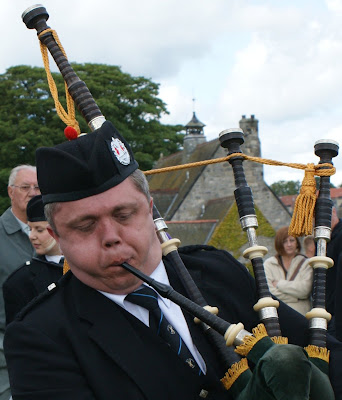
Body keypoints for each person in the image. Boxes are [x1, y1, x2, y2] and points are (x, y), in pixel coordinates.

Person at [3, 122, 342, 399]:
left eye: (124, 214)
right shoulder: (39, 336)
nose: (110, 236)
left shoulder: (217, 271)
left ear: (150, 211)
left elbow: (327, 356)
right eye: (85, 225)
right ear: (58, 236)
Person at [0, 164, 39, 400]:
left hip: (50, 352)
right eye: (25, 187)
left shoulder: (61, 234)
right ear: (10, 192)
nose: (33, 193)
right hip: (7, 359)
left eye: (38, 187)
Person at [3, 195, 63, 325]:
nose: (32, 236)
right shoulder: (20, 281)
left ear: (59, 228)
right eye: (30, 229)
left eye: (39, 230)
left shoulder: (87, 267)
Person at [264, 226, 313, 316]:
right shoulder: (269, 264)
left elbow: (304, 290)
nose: (289, 244)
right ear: (279, 244)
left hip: (300, 315)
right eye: (285, 241)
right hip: (277, 315)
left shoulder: (306, 263)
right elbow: (269, 293)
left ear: (297, 243)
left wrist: (279, 284)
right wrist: (295, 298)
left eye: (292, 240)